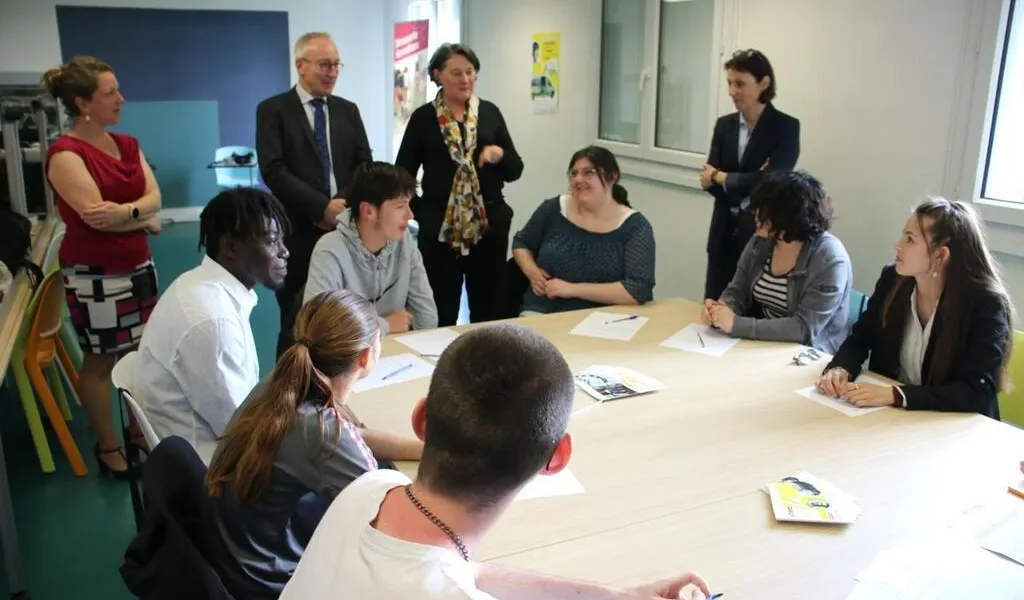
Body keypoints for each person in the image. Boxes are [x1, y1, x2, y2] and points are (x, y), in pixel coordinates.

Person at [280, 324, 713, 599]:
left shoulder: (370, 490)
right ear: (556, 458)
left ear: (422, 420)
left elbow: (469, 573)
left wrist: (620, 596)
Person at [204, 289, 424, 599]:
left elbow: (352, 438)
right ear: (366, 357)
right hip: (270, 581)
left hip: (237, 553)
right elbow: (395, 520)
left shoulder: (284, 383)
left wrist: (423, 451)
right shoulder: (320, 430)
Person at [43, 56, 162, 479]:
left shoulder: (127, 144)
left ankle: (136, 431)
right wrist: (143, 218)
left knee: (140, 355)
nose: (121, 99)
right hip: (95, 275)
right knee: (100, 360)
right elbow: (96, 218)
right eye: (110, 93)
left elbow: (155, 198)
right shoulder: (65, 154)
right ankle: (108, 447)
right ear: (83, 103)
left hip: (138, 266)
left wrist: (131, 213)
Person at [818, 198, 1014, 419]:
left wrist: (896, 395)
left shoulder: (986, 303)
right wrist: (841, 368)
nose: (898, 244)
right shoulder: (893, 279)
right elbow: (861, 337)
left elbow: (976, 392)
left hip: (955, 426)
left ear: (940, 255)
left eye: (910, 239)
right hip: (895, 418)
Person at [135, 188, 289, 464]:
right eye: (271, 241)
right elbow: (242, 431)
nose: (284, 252)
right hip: (213, 466)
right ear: (230, 247)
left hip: (204, 448)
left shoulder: (198, 284)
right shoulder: (214, 322)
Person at [256, 31, 374, 357]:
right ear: (301, 65)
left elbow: (364, 163)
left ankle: (336, 377)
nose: (332, 72)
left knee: (341, 314)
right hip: (297, 232)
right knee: (296, 318)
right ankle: (290, 380)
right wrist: (321, 207)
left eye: (336, 65)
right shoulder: (273, 110)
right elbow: (273, 170)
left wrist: (341, 206)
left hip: (346, 228)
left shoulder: (348, 111)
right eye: (324, 64)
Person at [396, 43, 524, 326]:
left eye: (470, 72)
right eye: (456, 73)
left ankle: (485, 356)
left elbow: (515, 170)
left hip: (488, 226)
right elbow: (402, 175)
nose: (465, 79)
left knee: (488, 309)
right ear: (438, 75)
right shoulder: (423, 118)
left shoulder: (490, 113)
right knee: (441, 309)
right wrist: (422, 212)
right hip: (440, 228)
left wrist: (500, 155)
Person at [702, 171, 851, 353]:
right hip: (763, 345)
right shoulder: (761, 242)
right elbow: (738, 290)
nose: (756, 215)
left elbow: (803, 329)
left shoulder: (830, 259)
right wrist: (721, 308)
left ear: (788, 217)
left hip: (809, 354)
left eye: (764, 211)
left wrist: (736, 324)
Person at [699, 49, 800, 301]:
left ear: (764, 83)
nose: (732, 91)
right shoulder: (725, 125)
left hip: (761, 234)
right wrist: (751, 178)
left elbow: (774, 183)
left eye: (740, 84)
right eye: (730, 83)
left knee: (752, 309)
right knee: (714, 306)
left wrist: (723, 177)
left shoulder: (786, 127)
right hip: (723, 233)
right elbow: (707, 180)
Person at [512, 146, 655, 315]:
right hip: (542, 311)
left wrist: (572, 289)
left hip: (604, 318)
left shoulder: (635, 227)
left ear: (612, 177)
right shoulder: (553, 209)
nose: (578, 179)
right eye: (574, 173)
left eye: (589, 172)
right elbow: (522, 243)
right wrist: (532, 272)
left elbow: (638, 289)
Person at [304, 161, 437, 334]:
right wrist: (385, 325)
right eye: (400, 206)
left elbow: (427, 316)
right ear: (368, 211)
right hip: (349, 352)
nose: (410, 215)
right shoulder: (330, 249)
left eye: (409, 205)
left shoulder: (404, 242)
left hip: (393, 349)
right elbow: (317, 325)